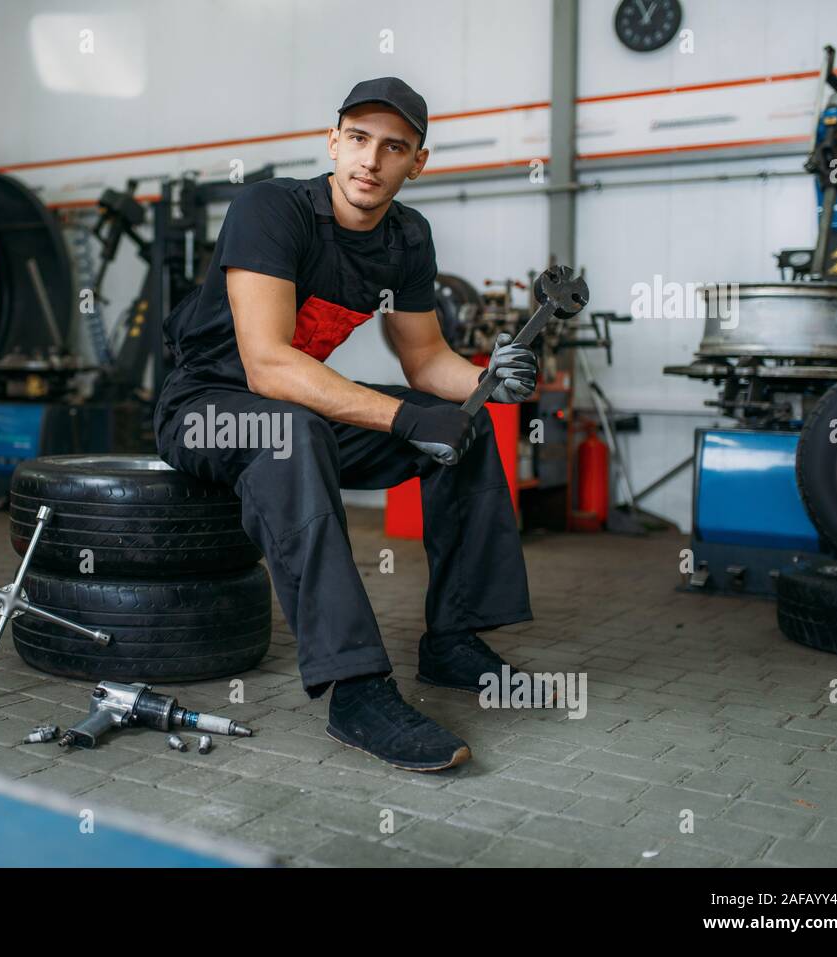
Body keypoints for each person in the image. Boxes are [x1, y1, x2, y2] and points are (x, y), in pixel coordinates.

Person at [155, 77, 548, 773]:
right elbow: (268, 368)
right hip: (205, 409)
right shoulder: (272, 211)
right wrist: (401, 419)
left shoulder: (407, 238)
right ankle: (356, 688)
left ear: (416, 162)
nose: (371, 160)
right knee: (290, 430)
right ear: (333, 142)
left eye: (393, 147)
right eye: (359, 140)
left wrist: (495, 378)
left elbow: (427, 361)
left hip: (293, 407)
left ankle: (454, 640)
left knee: (468, 426)